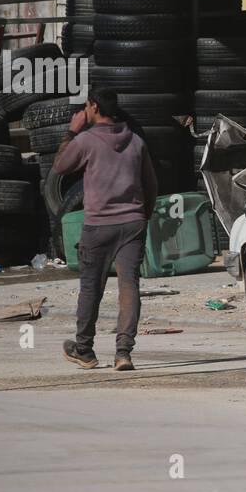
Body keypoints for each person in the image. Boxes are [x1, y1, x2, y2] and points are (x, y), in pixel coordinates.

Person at [54, 89, 158, 371]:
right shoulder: (136, 141)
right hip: (133, 223)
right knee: (129, 286)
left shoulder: (85, 140)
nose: (85, 111)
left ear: (95, 107)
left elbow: (61, 166)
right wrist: (142, 218)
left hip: (99, 225)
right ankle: (123, 352)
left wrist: (71, 132)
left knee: (90, 288)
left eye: (87, 106)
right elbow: (151, 185)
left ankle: (85, 351)